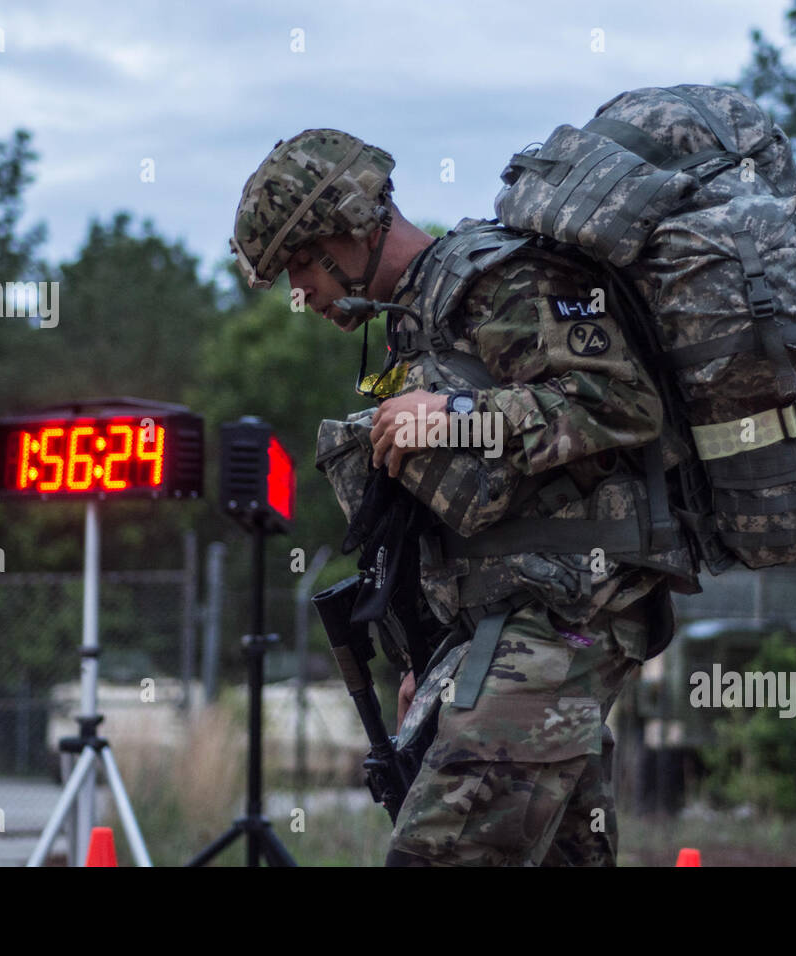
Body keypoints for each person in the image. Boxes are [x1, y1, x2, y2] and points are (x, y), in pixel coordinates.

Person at [231, 128, 696, 866]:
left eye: (296, 264)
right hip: (505, 628)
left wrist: (453, 417)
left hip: (567, 612)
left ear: (346, 229)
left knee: (438, 854)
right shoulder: (412, 326)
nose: (300, 293)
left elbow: (623, 405)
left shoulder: (496, 281)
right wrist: (439, 653)